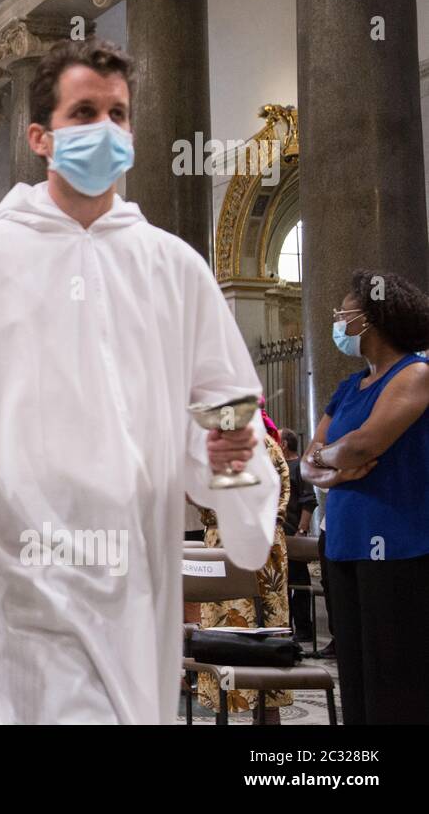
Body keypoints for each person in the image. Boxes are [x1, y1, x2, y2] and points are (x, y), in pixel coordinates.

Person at [0, 38, 280, 724]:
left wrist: (228, 458)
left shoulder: (173, 269)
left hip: (137, 573)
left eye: (118, 114)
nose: (105, 129)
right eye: (84, 113)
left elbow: (226, 411)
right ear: (40, 138)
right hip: (27, 571)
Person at [300, 269, 429, 724]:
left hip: (396, 545)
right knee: (354, 676)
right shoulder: (349, 387)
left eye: (344, 314)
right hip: (343, 543)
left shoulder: (415, 373)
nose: (338, 321)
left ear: (370, 319)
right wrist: (330, 464)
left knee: (392, 678)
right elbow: (307, 462)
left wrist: (330, 458)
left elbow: (363, 445)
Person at [196, 428, 293, 722]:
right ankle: (243, 710)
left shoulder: (255, 443)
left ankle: (266, 711)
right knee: (223, 637)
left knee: (261, 634)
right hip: (233, 539)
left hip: (253, 540)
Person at [279, 426, 318, 643]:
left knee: (298, 581)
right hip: (278, 535)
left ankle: (303, 628)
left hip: (292, 533)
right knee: (281, 584)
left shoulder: (299, 467)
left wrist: (301, 530)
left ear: (284, 444)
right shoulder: (278, 466)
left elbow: (308, 501)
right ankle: (284, 626)